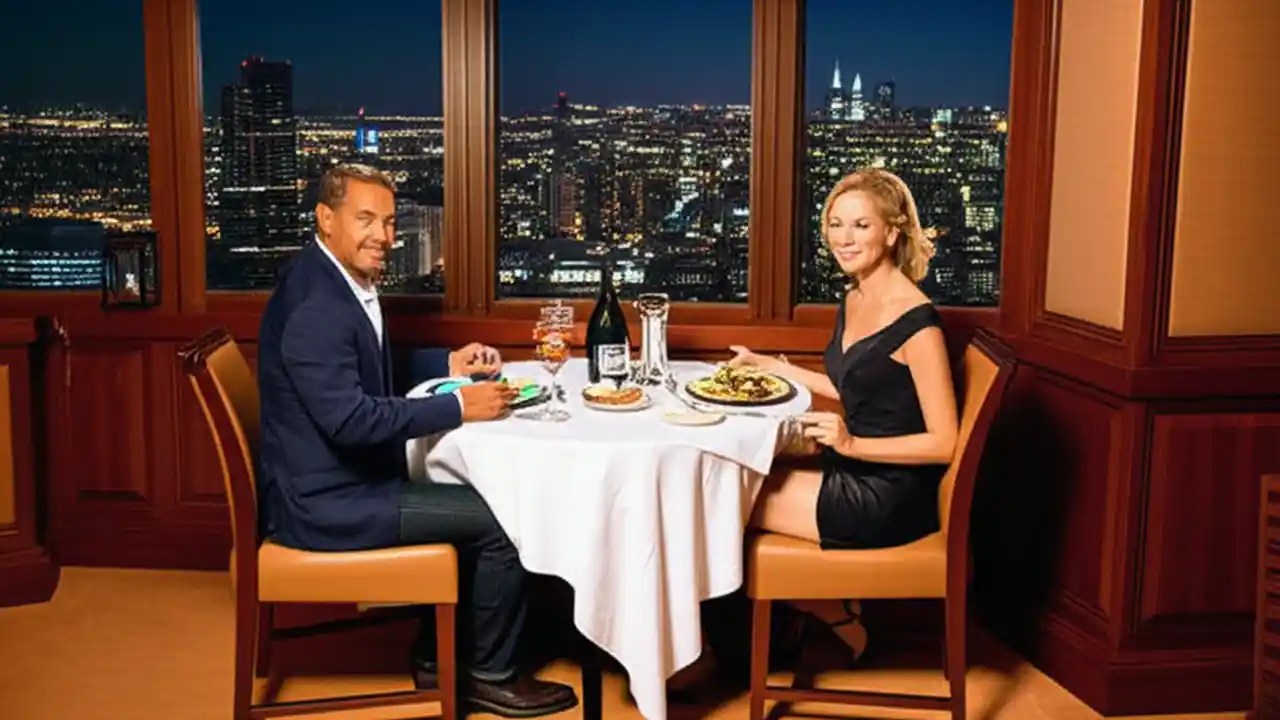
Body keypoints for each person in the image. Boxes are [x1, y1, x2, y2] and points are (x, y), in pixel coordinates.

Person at [256, 163, 578, 717]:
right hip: (327, 506)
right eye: (365, 219)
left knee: (475, 500)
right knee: (504, 517)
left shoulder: (333, 278)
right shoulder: (317, 307)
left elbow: (363, 370)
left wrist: (447, 363)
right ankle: (489, 672)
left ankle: (438, 656)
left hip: (336, 485)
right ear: (325, 218)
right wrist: (456, 406)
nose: (383, 236)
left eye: (387, 221)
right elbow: (350, 420)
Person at [729, 168, 959, 660]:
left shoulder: (918, 325)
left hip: (888, 494)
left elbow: (945, 441)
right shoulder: (855, 297)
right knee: (726, 481)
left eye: (860, 225)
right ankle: (792, 622)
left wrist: (852, 444)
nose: (844, 238)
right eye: (835, 224)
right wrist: (773, 367)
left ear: (892, 232)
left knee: (721, 501)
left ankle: (832, 614)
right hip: (853, 469)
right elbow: (854, 385)